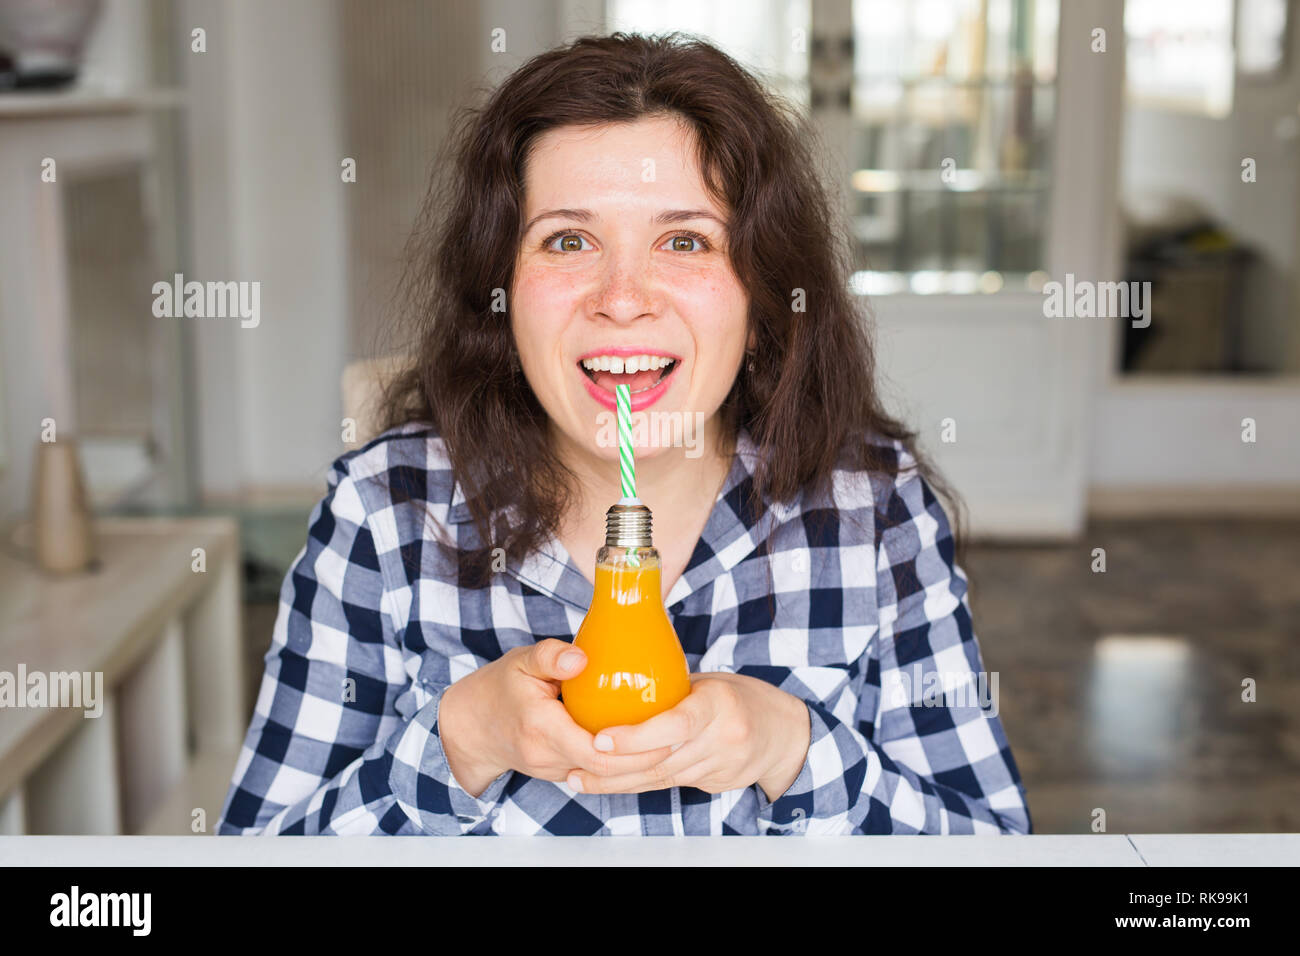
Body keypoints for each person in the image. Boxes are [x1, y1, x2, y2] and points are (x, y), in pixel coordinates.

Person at [217, 32, 1032, 836]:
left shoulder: (874, 509)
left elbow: (997, 849)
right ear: (501, 298)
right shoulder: (384, 513)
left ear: (761, 305)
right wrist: (459, 744)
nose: (622, 296)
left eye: (685, 240)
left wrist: (792, 749)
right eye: (569, 239)